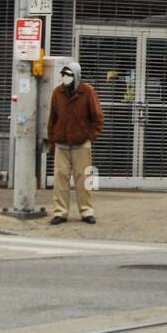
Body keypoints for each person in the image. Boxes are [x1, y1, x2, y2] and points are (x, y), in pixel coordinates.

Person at [47, 60, 104, 225]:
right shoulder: (58, 92)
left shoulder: (87, 91)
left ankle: (87, 211)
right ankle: (60, 212)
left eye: (69, 75)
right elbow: (53, 118)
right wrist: (52, 139)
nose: (66, 78)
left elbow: (97, 116)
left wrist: (90, 136)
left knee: (83, 178)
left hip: (81, 143)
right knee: (60, 179)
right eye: (64, 75)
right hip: (61, 143)